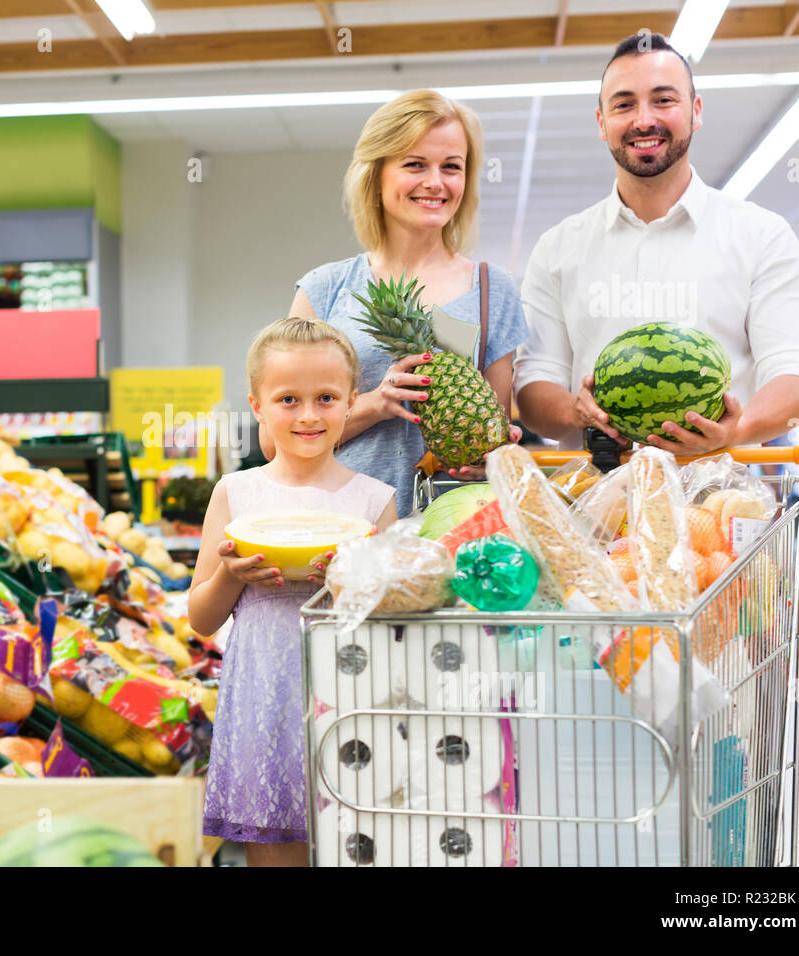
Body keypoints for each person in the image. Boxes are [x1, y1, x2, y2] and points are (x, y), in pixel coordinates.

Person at [515, 32, 799, 452]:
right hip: (595, 502)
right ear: (602, 123)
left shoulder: (762, 236)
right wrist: (575, 412)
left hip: (721, 500)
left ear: (695, 111)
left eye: (664, 100)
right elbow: (533, 389)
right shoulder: (558, 249)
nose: (644, 120)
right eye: (624, 104)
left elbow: (798, 378)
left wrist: (737, 429)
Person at [191, 317, 396, 867]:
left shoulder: (375, 501)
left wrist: (353, 584)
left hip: (353, 700)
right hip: (265, 699)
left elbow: (393, 623)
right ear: (256, 406)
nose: (308, 415)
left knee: (357, 845)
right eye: (288, 399)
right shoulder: (236, 493)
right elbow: (201, 619)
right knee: (274, 854)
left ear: (353, 401)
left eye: (326, 397)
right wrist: (230, 576)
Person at [281, 89, 529, 516]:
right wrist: (375, 404)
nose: (435, 182)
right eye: (415, 164)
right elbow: (277, 440)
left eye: (451, 167)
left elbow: (494, 433)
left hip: (450, 528)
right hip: (338, 525)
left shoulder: (494, 291)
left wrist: (490, 452)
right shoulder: (325, 290)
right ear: (377, 175)